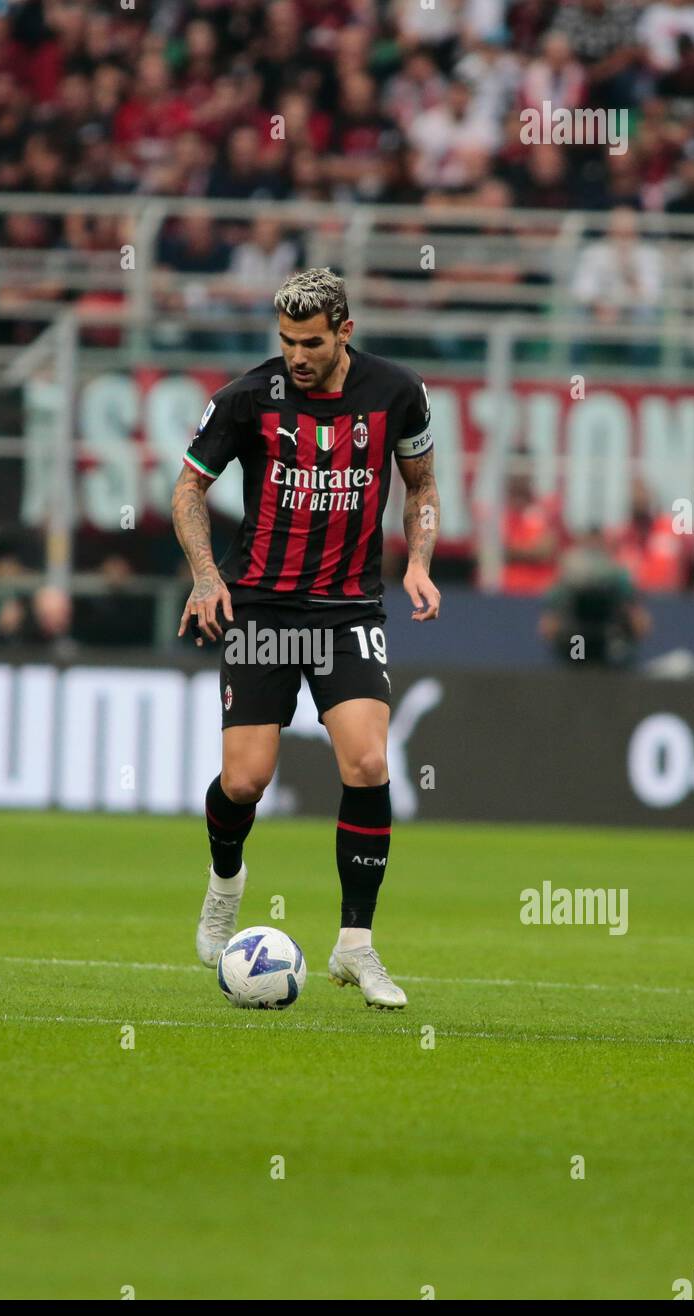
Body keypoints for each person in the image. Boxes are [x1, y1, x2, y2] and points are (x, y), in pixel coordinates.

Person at [171, 267, 441, 1010]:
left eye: (311, 342)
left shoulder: (398, 392)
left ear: (344, 331)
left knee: (368, 759)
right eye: (287, 340)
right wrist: (204, 576)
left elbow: (421, 487)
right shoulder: (246, 399)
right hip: (260, 607)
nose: (297, 354)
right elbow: (188, 488)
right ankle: (227, 881)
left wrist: (418, 562)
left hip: (348, 611)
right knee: (245, 782)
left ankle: (356, 946)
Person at [539, 529, 651, 666]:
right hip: (576, 635)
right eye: (590, 545)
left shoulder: (617, 576)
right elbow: (550, 621)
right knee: (577, 658)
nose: (593, 550)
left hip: (608, 634)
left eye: (597, 545)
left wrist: (631, 622)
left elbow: (638, 619)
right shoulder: (568, 577)